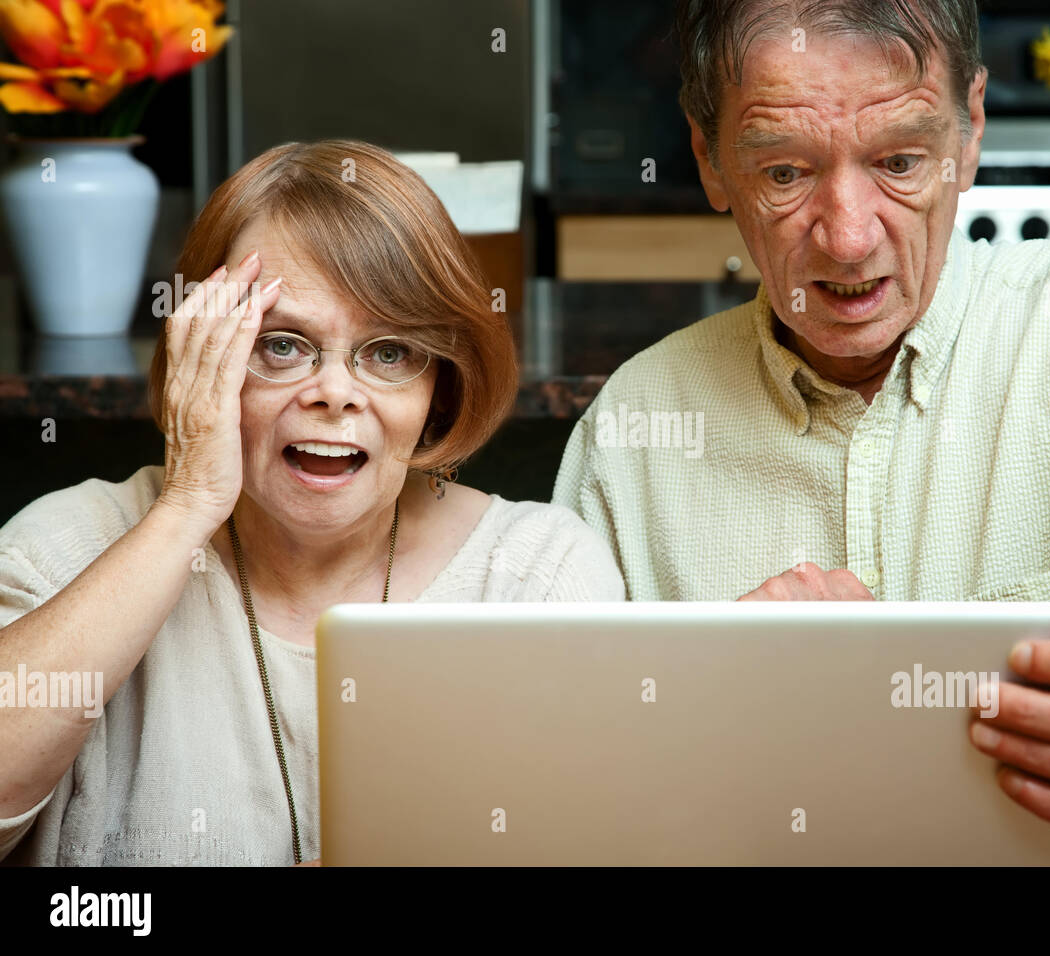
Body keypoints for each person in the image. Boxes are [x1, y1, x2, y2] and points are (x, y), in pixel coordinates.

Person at [553, 0, 1050, 865]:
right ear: (708, 158)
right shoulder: (633, 430)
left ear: (970, 128)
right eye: (786, 173)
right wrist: (708, 694)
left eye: (900, 161)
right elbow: (570, 784)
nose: (848, 237)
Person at [0, 139, 624, 866]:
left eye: (389, 351)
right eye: (282, 345)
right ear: (199, 352)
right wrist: (186, 507)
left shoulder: (539, 576)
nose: (334, 392)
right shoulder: (65, 545)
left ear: (440, 387)